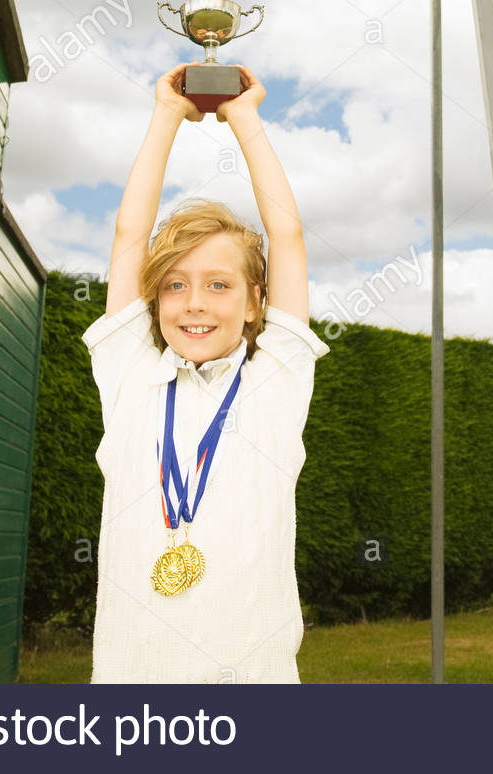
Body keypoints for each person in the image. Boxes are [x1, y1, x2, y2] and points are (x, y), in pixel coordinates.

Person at [81, 61, 330, 683]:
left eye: (220, 285)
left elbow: (288, 236)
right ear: (155, 300)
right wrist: (167, 114)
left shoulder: (276, 382)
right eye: (176, 286)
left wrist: (243, 116)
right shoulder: (131, 375)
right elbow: (129, 234)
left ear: (255, 304)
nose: (195, 302)